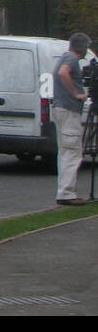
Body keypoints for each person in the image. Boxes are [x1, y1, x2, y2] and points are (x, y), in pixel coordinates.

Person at [53, 32, 91, 206]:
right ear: (82, 48)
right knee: (72, 151)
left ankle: (64, 191)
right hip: (69, 110)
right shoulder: (71, 60)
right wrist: (76, 93)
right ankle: (67, 193)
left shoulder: (63, 57)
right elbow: (63, 73)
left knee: (64, 151)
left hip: (60, 109)